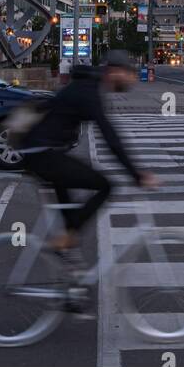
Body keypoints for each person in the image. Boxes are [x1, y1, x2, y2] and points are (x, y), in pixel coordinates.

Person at [20, 50, 159, 251]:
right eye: (129, 73)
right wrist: (137, 175)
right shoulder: (90, 91)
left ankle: (67, 244)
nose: (132, 79)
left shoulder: (87, 85)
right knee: (105, 186)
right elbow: (110, 139)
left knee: (66, 190)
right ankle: (67, 236)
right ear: (114, 72)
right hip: (43, 153)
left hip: (41, 151)